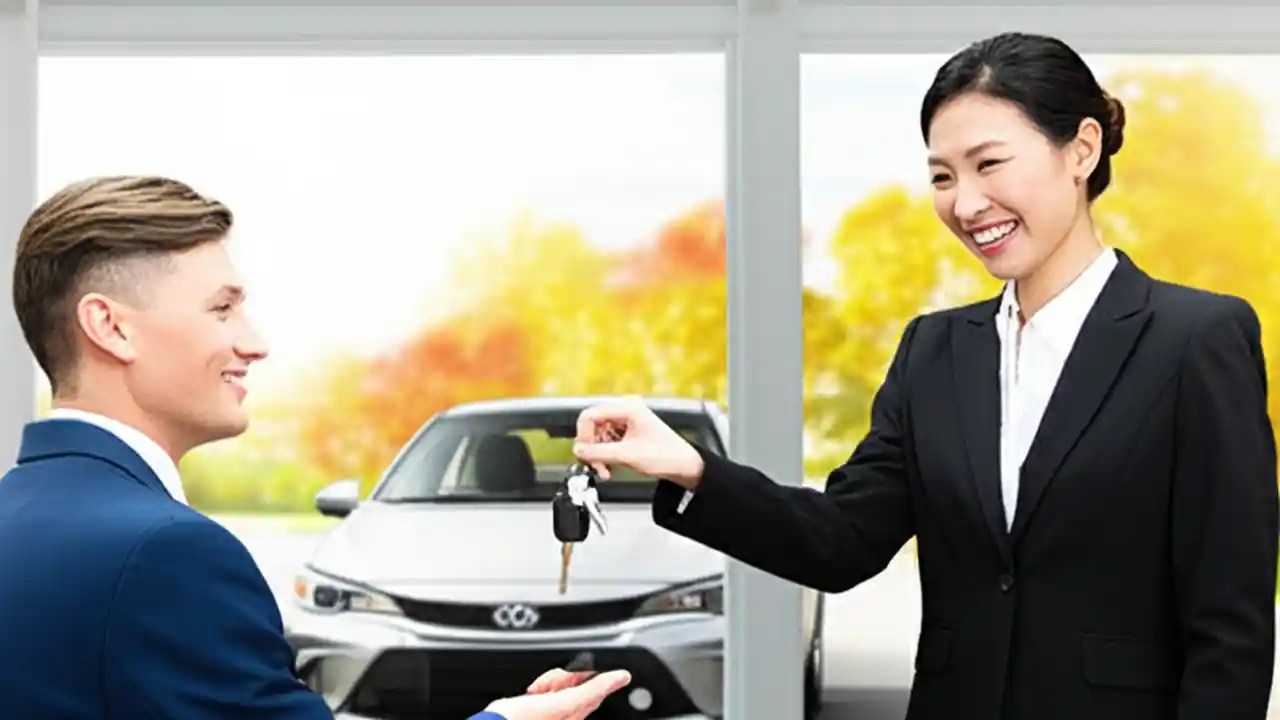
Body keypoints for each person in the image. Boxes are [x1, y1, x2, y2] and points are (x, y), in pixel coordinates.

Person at [572, 31, 1278, 720]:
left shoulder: (1194, 339)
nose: (965, 204)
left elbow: (1231, 625)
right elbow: (843, 539)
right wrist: (692, 468)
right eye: (942, 176)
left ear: (1082, 150)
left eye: (989, 164)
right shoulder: (935, 351)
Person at [0, 175, 630, 720]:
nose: (255, 344)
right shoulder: (166, 554)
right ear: (111, 327)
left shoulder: (17, 518)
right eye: (222, 309)